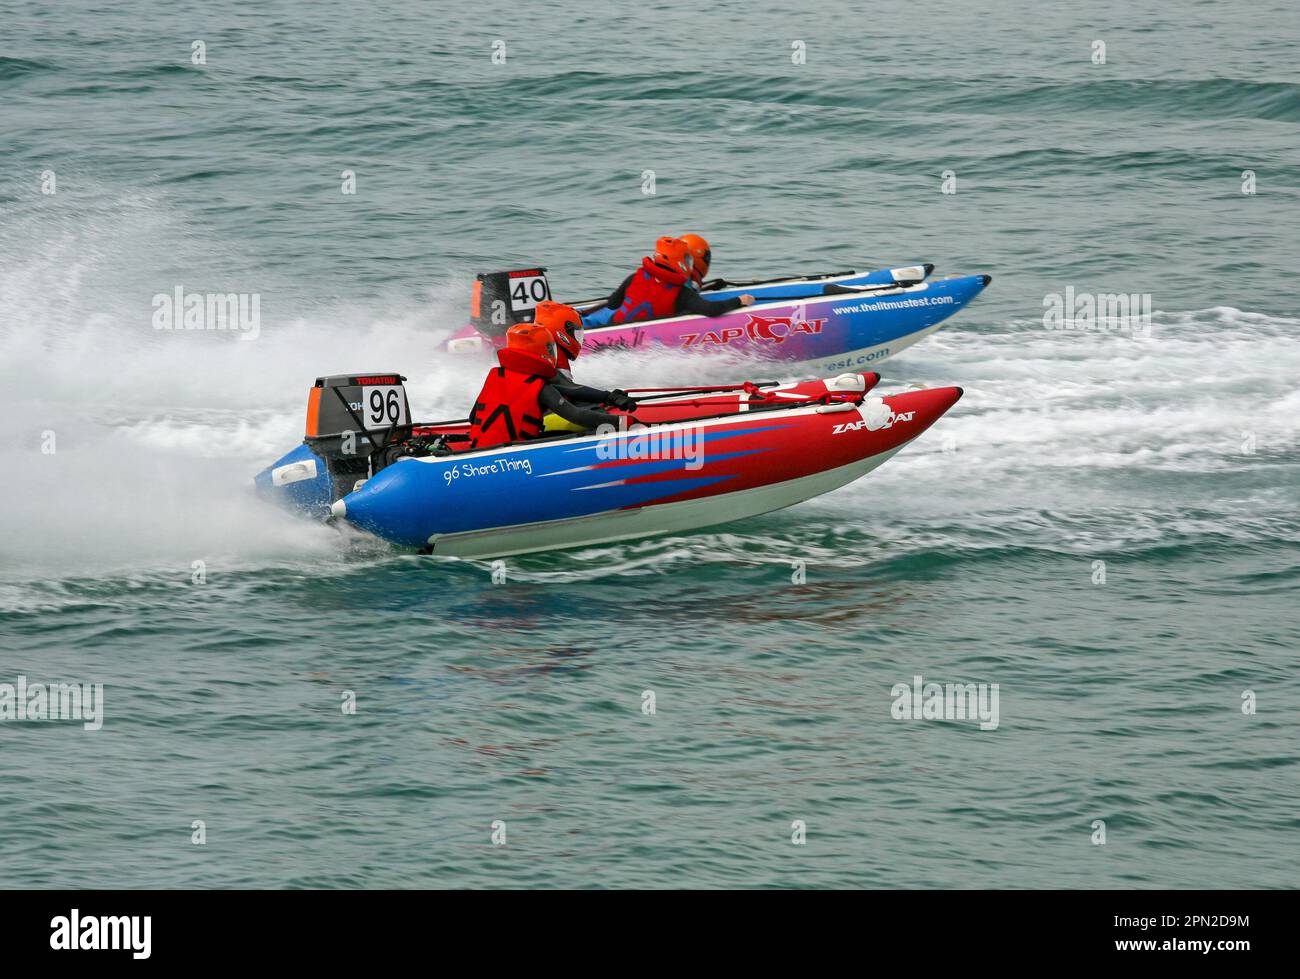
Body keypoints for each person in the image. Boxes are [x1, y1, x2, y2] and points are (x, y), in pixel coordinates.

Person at [467, 321, 636, 449]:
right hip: (514, 456)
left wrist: (608, 397)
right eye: (548, 348)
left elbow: (473, 417)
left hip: (478, 449)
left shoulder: (495, 376)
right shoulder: (540, 387)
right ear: (538, 352)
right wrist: (623, 422)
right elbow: (577, 416)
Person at [581, 236, 754, 327]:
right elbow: (711, 310)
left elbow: (612, 303)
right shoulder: (681, 293)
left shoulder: (636, 277)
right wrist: (740, 300)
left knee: (601, 316)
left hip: (613, 325)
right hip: (633, 335)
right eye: (687, 260)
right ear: (678, 261)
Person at [531, 299, 637, 433]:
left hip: (548, 412)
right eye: (575, 333)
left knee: (594, 410)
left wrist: (606, 399)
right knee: (603, 421)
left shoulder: (547, 350)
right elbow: (569, 388)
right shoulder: (550, 356)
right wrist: (608, 397)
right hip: (543, 420)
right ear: (562, 333)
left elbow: (567, 391)